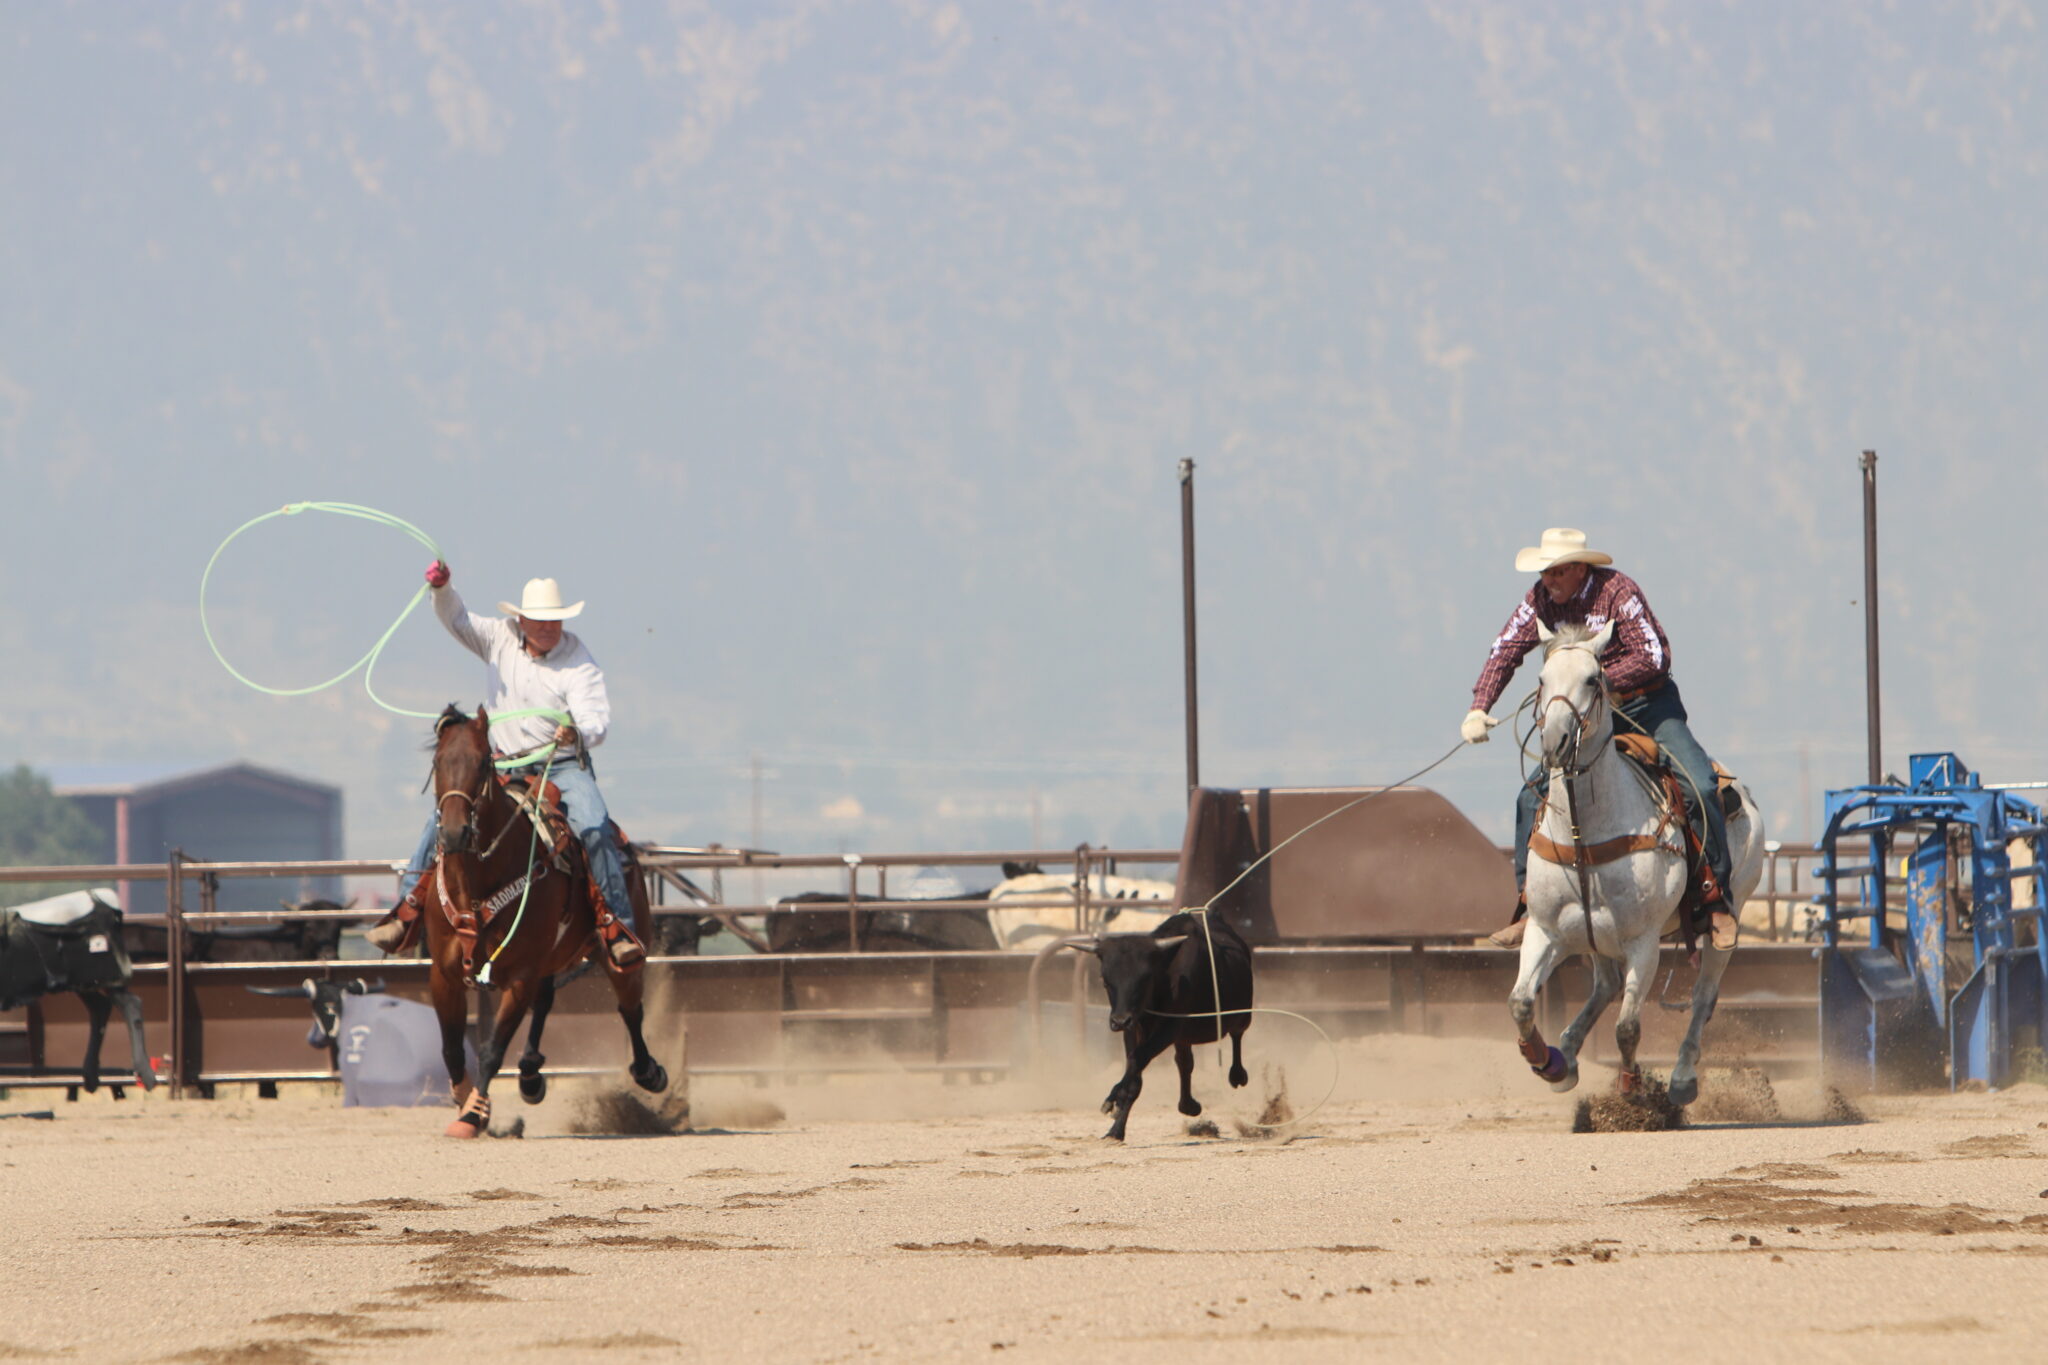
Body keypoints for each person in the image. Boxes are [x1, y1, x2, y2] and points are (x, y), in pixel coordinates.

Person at [1462, 528, 1734, 952]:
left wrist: (1597, 681)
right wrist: (1480, 706)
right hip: (1585, 716)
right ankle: (1529, 904)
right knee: (1530, 797)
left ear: (1578, 569)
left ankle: (1714, 897)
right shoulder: (1538, 600)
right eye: (1545, 572)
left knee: (1698, 784)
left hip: (1647, 708)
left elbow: (1654, 655)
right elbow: (1505, 649)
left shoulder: (1618, 591)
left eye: (1555, 572)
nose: (1547, 580)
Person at [365, 561, 644, 967]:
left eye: (555, 620)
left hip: (560, 767)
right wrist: (442, 590)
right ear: (522, 618)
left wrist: (577, 733)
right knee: (443, 820)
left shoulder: (578, 660)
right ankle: (408, 909)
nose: (549, 627)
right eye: (540, 620)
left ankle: (617, 924)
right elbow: (457, 620)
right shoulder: (498, 638)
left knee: (595, 828)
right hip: (502, 766)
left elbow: (595, 718)